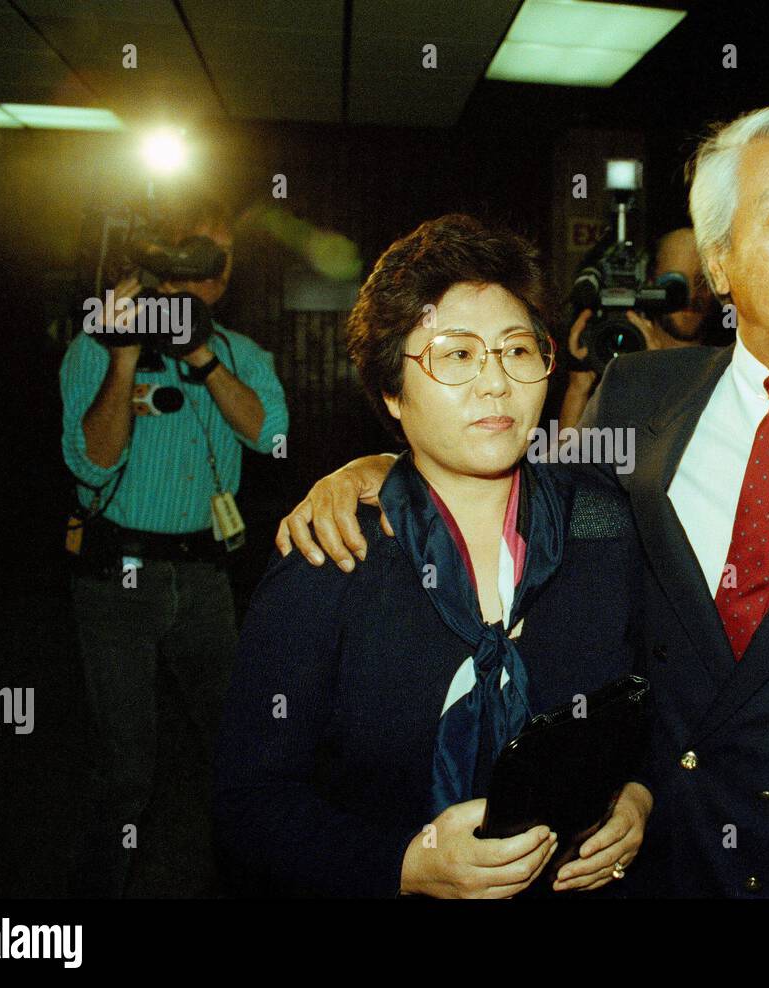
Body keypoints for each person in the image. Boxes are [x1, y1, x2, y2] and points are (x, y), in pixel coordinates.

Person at [274, 104, 769, 898]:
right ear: (718, 263)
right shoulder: (639, 399)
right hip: (658, 867)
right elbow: (511, 472)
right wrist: (379, 466)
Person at [212, 214, 652, 898]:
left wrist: (638, 797)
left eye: (516, 350)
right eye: (455, 355)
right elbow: (249, 801)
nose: (495, 383)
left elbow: (660, 701)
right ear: (392, 390)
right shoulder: (333, 556)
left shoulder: (602, 527)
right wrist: (405, 866)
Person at [60, 191, 290, 897]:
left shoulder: (241, 354)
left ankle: (243, 879)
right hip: (116, 578)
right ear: (158, 263)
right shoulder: (92, 346)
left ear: (224, 279)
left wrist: (202, 361)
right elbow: (90, 463)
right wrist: (124, 356)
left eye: (213, 262)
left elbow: (273, 438)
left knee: (234, 743)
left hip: (204, 582)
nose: (198, 277)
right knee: (126, 768)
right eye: (185, 255)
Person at [558, 227, 718, 430]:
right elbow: (564, 459)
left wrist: (657, 378)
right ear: (650, 283)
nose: (691, 295)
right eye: (675, 285)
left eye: (702, 281)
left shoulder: (727, 370)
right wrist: (578, 389)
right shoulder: (617, 365)